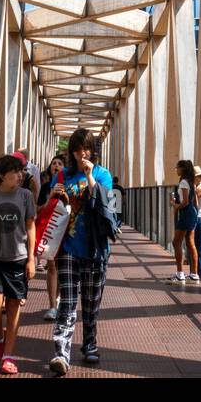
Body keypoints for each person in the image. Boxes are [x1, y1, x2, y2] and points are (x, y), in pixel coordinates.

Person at [48, 128, 117, 376]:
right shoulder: (63, 175)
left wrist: (89, 179)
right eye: (77, 149)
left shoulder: (103, 174)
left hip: (96, 249)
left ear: (92, 150)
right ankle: (61, 352)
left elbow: (108, 207)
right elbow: (49, 210)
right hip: (68, 246)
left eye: (86, 148)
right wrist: (53, 198)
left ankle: (89, 343)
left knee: (90, 302)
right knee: (67, 302)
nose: (81, 153)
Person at [0, 153, 37, 375]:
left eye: (21, 171)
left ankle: (8, 356)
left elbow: (30, 226)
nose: (21, 175)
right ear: (3, 175)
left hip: (18, 260)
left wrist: (31, 259)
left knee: (13, 307)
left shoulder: (25, 196)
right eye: (16, 172)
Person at [39, 152, 66, 320]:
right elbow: (39, 208)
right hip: (50, 229)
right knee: (51, 265)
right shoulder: (46, 186)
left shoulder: (70, 185)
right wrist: (50, 198)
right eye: (54, 163)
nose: (56, 165)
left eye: (60, 163)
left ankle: (58, 297)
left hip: (64, 230)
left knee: (61, 265)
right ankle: (52, 305)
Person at [166, 159, 199, 283]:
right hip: (193, 213)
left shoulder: (184, 182)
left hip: (186, 213)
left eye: (177, 168)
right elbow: (194, 200)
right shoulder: (191, 182)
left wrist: (175, 205)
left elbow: (185, 202)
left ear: (182, 169)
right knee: (190, 243)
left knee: (176, 242)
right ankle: (194, 275)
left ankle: (180, 274)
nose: (176, 170)